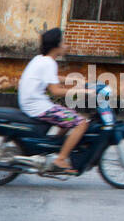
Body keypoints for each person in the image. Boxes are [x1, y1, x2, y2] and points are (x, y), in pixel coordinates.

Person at [17, 27, 95, 174]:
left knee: (69, 113)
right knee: (81, 123)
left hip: (32, 103)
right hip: (38, 106)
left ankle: (54, 145)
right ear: (56, 46)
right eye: (63, 42)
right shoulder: (49, 63)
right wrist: (84, 92)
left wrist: (74, 80)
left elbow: (52, 78)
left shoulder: (40, 59)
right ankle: (60, 159)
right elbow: (56, 90)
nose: (66, 45)